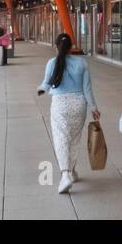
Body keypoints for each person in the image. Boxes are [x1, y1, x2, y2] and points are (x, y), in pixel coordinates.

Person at [37, 33, 100, 194]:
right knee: (73, 138)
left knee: (61, 139)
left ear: (56, 46)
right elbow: (87, 89)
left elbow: (46, 83)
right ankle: (72, 170)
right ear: (71, 47)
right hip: (79, 105)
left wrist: (41, 90)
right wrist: (94, 108)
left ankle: (65, 174)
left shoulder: (52, 63)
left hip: (60, 105)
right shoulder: (82, 63)